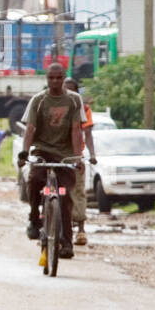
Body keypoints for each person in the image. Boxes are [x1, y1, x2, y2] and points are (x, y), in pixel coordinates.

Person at [18, 63, 90, 260]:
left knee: (65, 198)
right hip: (43, 151)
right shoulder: (38, 100)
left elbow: (76, 129)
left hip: (65, 154)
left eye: (59, 78)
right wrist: (25, 154)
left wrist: (77, 158)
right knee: (34, 181)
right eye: (51, 78)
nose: (55, 81)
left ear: (63, 77)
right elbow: (30, 129)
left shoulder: (74, 100)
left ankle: (66, 243)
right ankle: (34, 217)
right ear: (47, 79)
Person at [65, 78, 99, 246]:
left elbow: (88, 134)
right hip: (55, 153)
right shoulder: (52, 106)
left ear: (77, 93)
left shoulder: (84, 109)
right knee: (49, 187)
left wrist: (92, 154)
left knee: (78, 190)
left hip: (75, 155)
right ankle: (47, 223)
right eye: (66, 90)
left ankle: (81, 229)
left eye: (72, 91)